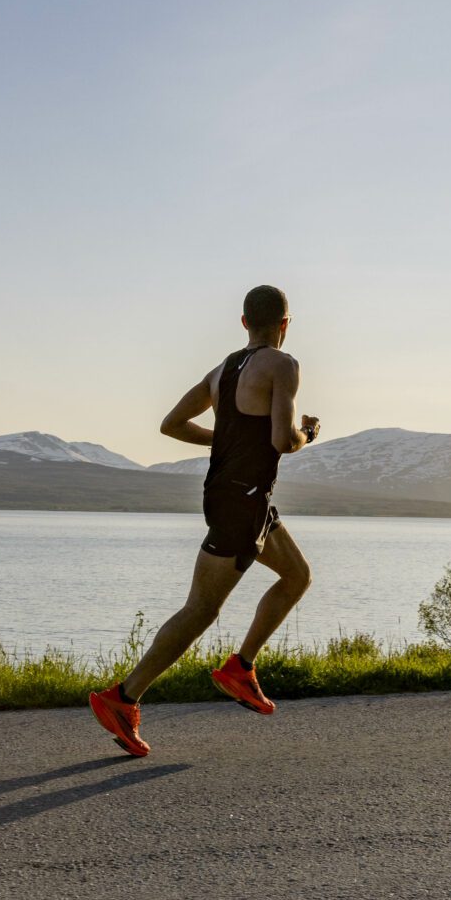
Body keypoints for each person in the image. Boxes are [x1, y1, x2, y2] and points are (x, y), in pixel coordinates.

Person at [89, 285, 319, 756]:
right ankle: (124, 697)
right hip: (243, 501)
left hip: (236, 497)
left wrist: (228, 438)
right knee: (201, 610)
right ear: (286, 324)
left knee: (296, 575)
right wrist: (308, 434)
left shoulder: (221, 371)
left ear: (242, 322)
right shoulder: (283, 364)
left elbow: (171, 424)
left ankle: (242, 667)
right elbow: (282, 440)